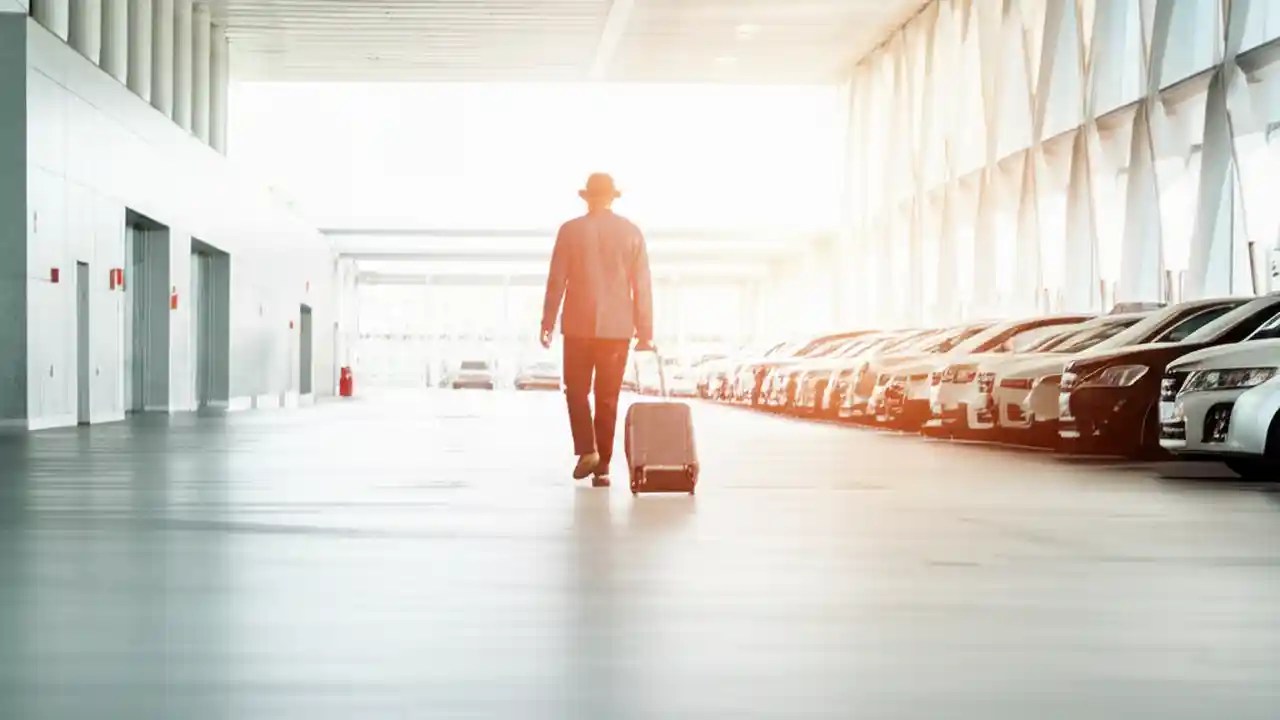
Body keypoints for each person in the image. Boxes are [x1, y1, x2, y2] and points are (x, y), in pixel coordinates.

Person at [541, 173, 654, 487]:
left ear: (587, 198)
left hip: (578, 326)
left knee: (576, 391)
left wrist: (547, 322)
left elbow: (556, 280)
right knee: (607, 397)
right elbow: (641, 285)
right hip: (617, 329)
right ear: (612, 198)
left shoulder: (570, 231)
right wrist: (645, 331)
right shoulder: (631, 233)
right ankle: (602, 466)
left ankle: (587, 450)